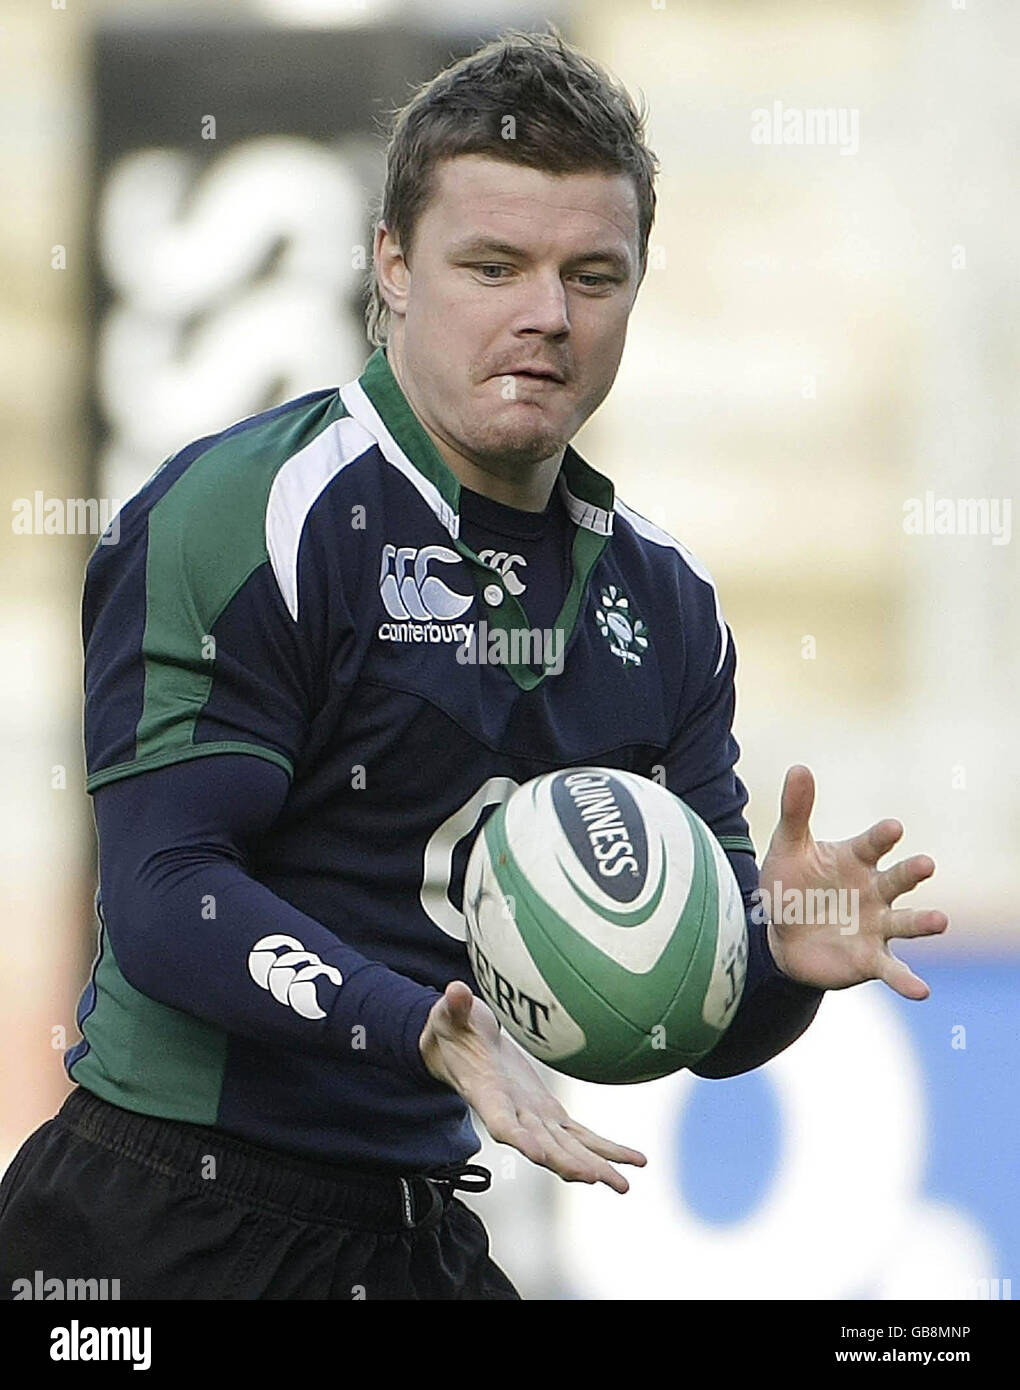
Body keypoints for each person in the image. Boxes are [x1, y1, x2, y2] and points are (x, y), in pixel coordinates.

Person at [0, 28, 946, 1302]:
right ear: (391, 266)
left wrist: (780, 955)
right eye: (493, 265)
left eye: (592, 276)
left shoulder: (665, 602)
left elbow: (702, 1014)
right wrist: (413, 1027)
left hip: (414, 1231)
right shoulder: (244, 515)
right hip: (163, 1219)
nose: (546, 316)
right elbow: (168, 895)